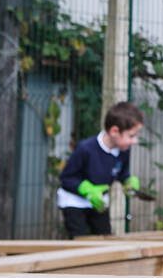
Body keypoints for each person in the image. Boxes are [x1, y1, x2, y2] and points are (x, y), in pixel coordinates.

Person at [56, 101, 144, 238]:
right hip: (75, 202)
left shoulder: (123, 150)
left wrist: (128, 181)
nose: (135, 141)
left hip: (99, 202)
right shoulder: (86, 149)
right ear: (115, 131)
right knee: (81, 242)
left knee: (105, 238)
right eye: (131, 136)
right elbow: (66, 178)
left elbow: (121, 172)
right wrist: (87, 190)